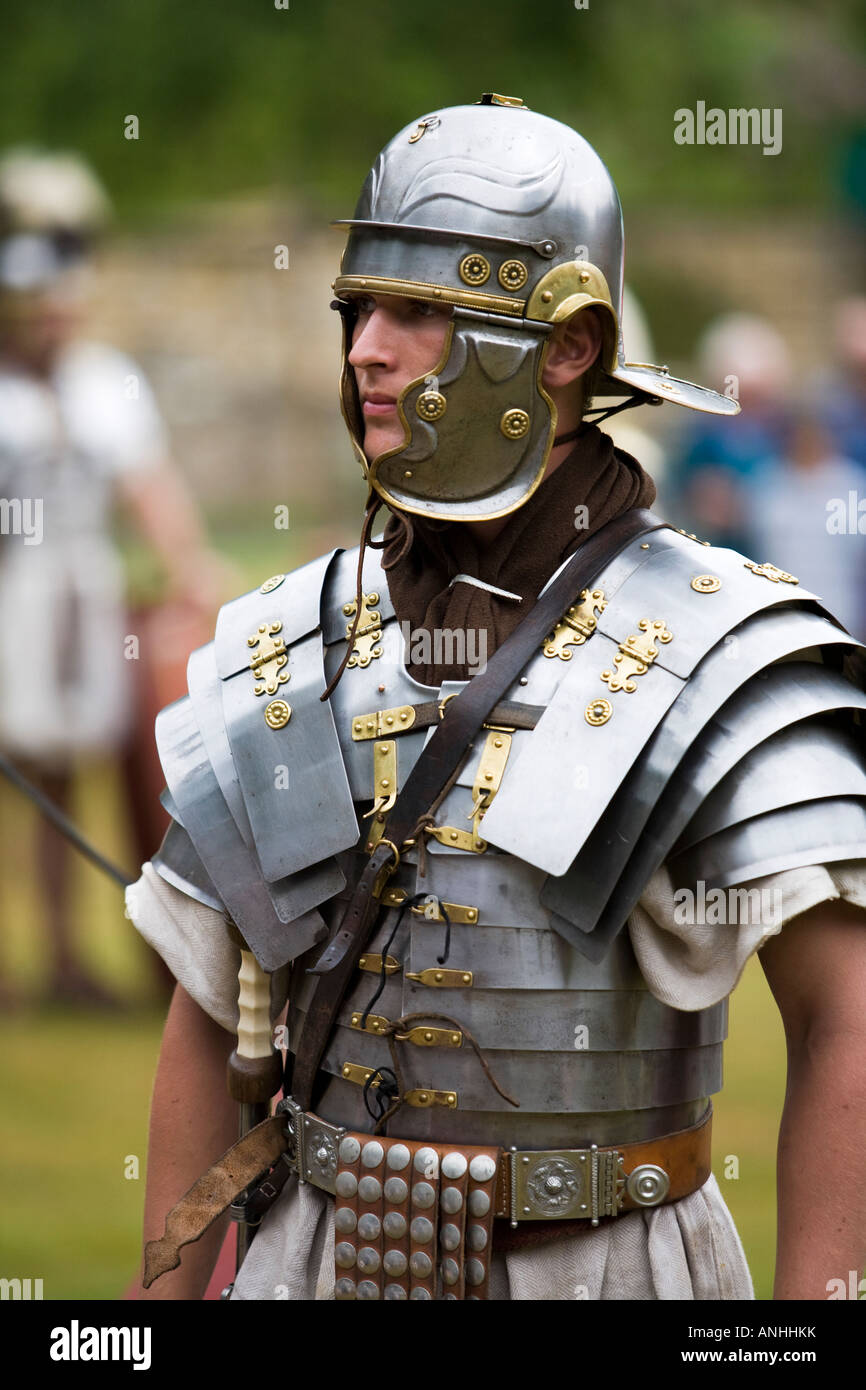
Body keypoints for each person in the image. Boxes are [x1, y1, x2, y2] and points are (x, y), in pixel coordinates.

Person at [128, 96, 866, 1302]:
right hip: (309, 1262)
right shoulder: (284, 643)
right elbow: (208, 1023)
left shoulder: (713, 649)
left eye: (417, 312)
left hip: (607, 1268)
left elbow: (846, 1018)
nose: (366, 347)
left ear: (566, 345)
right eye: (358, 309)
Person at [0, 148, 231, 1004]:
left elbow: (150, 488)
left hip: (82, 594)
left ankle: (67, 960)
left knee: (68, 771)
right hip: (10, 594)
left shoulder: (105, 386)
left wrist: (189, 566)